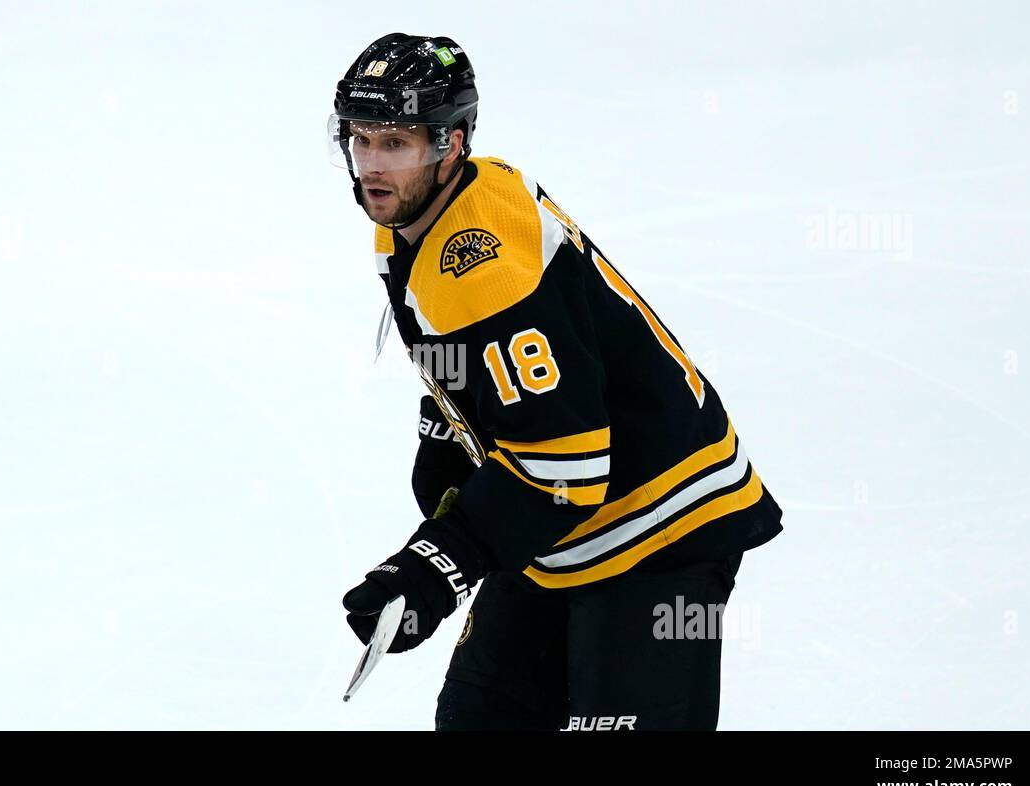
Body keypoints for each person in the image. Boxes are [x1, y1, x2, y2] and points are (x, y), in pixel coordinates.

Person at [330, 33, 784, 730]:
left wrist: (435, 564)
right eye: (360, 140)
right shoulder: (437, 208)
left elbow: (564, 468)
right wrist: (452, 425)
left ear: (451, 144)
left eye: (397, 142)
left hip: (665, 528)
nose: (372, 166)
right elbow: (506, 366)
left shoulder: (477, 263)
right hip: (560, 533)